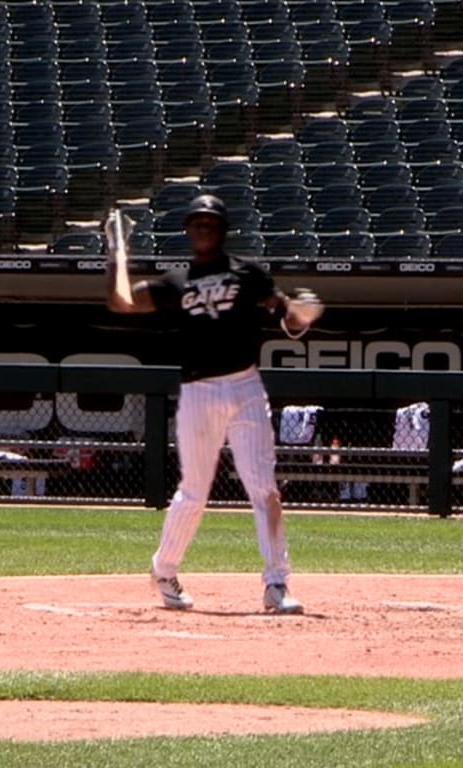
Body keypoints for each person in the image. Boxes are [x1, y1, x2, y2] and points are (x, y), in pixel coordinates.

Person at [105, 193, 325, 613]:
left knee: (265, 488)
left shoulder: (247, 273)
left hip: (245, 385)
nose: (203, 228)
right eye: (196, 223)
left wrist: (301, 313)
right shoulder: (176, 281)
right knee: (194, 491)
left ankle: (276, 583)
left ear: (222, 230)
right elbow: (122, 302)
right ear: (188, 230)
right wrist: (116, 254)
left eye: (210, 223)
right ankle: (164, 570)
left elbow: (285, 313)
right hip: (199, 390)